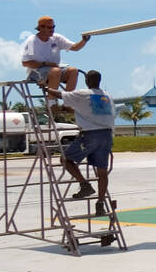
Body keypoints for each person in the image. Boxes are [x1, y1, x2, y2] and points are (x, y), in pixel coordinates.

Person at [46, 70, 115, 217]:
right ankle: (100, 204)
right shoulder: (106, 96)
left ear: (87, 81)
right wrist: (69, 110)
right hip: (107, 135)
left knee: (65, 159)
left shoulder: (84, 93)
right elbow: (90, 111)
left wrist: (45, 88)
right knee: (102, 173)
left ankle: (85, 185)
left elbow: (60, 94)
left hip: (90, 135)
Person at [21, 16, 90, 93]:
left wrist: (84, 40)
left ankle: (68, 102)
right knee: (56, 71)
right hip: (36, 72)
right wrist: (46, 64)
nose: (52, 30)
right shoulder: (31, 42)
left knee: (73, 71)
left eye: (53, 27)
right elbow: (26, 63)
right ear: (41, 27)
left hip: (55, 70)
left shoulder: (57, 38)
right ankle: (52, 103)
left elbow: (75, 47)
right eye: (49, 27)